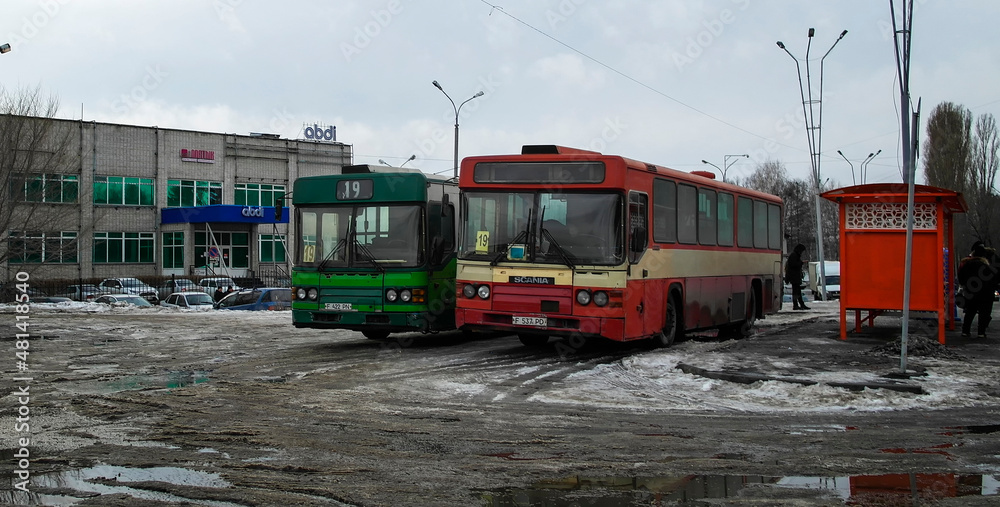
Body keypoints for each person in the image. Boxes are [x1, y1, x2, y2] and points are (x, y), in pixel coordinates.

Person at [958, 243, 999, 338]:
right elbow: (993, 279)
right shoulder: (987, 267)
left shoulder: (966, 264)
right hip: (985, 294)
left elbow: (961, 278)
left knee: (970, 312)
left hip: (971, 292)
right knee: (984, 313)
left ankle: (965, 330)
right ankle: (981, 332)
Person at [785, 243, 809, 310]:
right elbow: (793, 265)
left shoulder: (794, 255)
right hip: (794, 277)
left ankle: (800, 304)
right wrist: (801, 263)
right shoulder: (794, 256)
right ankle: (796, 305)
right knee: (796, 292)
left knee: (797, 291)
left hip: (795, 277)